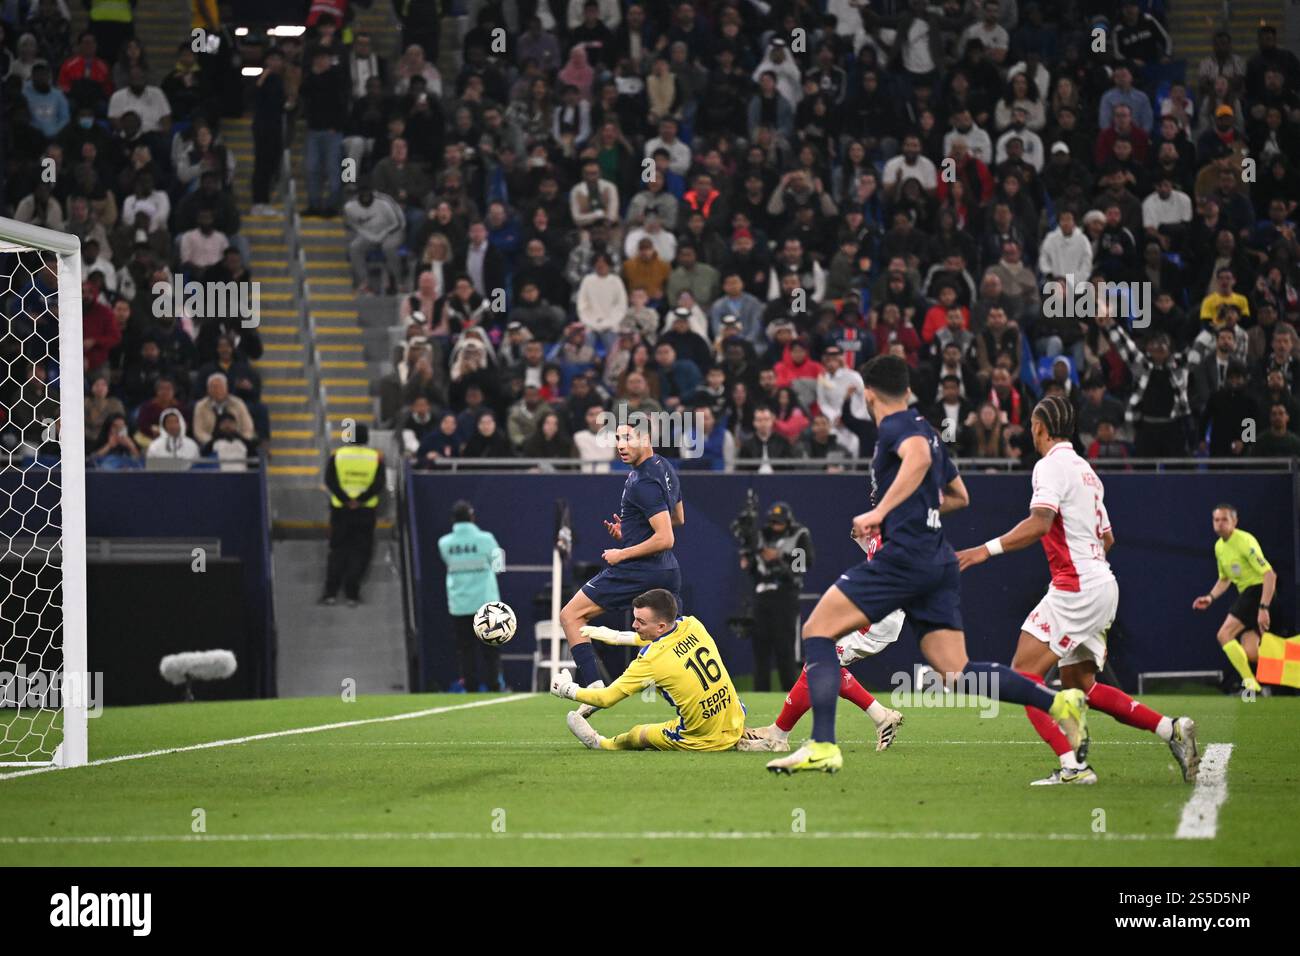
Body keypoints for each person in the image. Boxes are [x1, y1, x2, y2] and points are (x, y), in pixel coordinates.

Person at [765, 355, 1089, 774]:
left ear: (868, 394)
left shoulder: (897, 427)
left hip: (904, 559)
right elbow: (959, 496)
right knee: (957, 671)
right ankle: (1060, 700)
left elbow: (916, 458)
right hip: (938, 560)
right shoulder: (930, 432)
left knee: (816, 630)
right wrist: (911, 510)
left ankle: (823, 745)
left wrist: (880, 512)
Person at [957, 396, 1200, 785]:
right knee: (1082, 686)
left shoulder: (1048, 466)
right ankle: (1171, 729)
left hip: (1077, 588)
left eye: (1033, 426)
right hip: (1102, 584)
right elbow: (1109, 538)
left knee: (1023, 676)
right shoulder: (1087, 471)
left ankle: (1073, 766)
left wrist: (984, 551)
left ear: (1039, 427)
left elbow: (1040, 522)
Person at [557, 422, 684, 716]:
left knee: (571, 615)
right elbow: (677, 517)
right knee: (670, 646)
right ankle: (697, 709)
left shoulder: (642, 482)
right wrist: (630, 531)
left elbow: (666, 537)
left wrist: (622, 552)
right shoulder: (663, 467)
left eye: (628, 438)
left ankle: (595, 691)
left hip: (638, 570)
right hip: (666, 571)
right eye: (617, 438)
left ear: (647, 438)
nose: (621, 445)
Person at [552, 589, 749, 753]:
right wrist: (618, 637)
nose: (634, 625)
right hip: (735, 718)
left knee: (639, 734)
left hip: (702, 738)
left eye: (641, 622)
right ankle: (735, 734)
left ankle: (600, 743)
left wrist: (566, 689)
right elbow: (663, 636)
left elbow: (606, 699)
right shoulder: (692, 624)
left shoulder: (651, 660)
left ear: (661, 625)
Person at [1192, 504, 1276, 695]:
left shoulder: (1245, 541)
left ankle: (1251, 686)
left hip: (1258, 591)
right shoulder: (1219, 547)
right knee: (1251, 652)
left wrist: (1264, 608)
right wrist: (1210, 597)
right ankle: (1289, 665)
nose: (1219, 524)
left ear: (1234, 522)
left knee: (1224, 635)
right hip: (1248, 596)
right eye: (1216, 520)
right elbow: (1225, 578)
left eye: (1224, 520)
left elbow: (1270, 575)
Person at [437, 500, 507, 693]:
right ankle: (494, 686)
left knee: (465, 650)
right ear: (472, 517)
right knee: (491, 648)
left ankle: (470, 688)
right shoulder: (486, 538)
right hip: (486, 603)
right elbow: (499, 565)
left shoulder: (444, 543)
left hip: (459, 604)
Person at [740, 502, 810, 693]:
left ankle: (790, 694)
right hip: (762, 597)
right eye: (772, 522)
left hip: (785, 597)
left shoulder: (799, 534)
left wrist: (778, 558)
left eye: (779, 522)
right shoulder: (761, 535)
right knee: (760, 649)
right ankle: (760, 693)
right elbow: (751, 567)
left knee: (785, 648)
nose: (775, 526)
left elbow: (801, 566)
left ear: (788, 521)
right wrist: (749, 558)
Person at [320, 424, 384, 607]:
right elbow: (378, 484)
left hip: (341, 510)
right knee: (360, 551)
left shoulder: (337, 455)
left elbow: (329, 480)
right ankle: (352, 594)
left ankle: (330, 593)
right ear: (366, 438)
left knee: (338, 550)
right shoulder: (375, 458)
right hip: (365, 512)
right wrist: (360, 500)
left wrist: (346, 499)